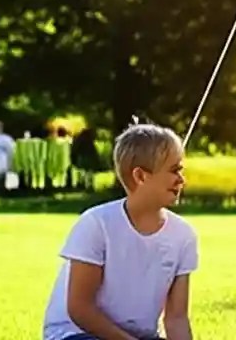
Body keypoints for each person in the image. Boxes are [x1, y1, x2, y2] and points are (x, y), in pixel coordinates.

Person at [40, 123, 197, 340]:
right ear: (141, 176)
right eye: (174, 170)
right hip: (77, 334)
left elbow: (176, 319)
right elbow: (80, 308)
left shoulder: (183, 235)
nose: (182, 179)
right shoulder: (96, 223)